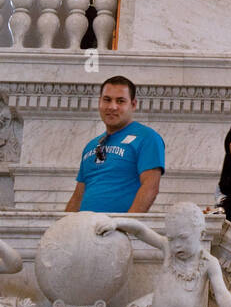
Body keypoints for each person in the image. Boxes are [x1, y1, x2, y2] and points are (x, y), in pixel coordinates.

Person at [65, 76, 165, 214]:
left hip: (117, 231)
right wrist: (64, 226)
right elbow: (78, 196)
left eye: (120, 101)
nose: (112, 107)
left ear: (133, 104)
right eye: (107, 100)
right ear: (99, 102)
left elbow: (150, 187)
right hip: (85, 230)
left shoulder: (147, 138)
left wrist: (126, 227)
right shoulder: (91, 145)